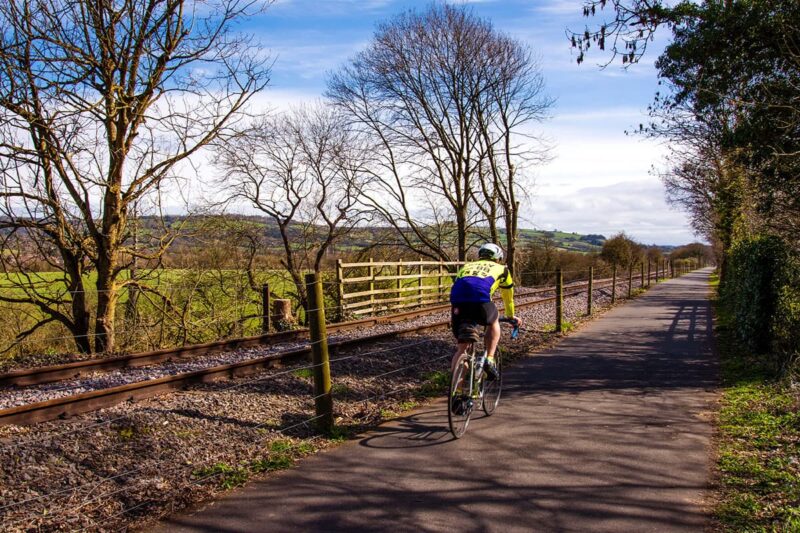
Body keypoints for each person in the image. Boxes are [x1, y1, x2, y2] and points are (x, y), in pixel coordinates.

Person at [449, 243, 521, 379]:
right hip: (481, 302)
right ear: (498, 258)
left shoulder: (466, 266)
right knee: (494, 320)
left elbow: (460, 287)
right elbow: (508, 297)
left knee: (462, 349)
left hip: (457, 304)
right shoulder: (502, 269)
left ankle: (456, 394)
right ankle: (490, 358)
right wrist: (511, 316)